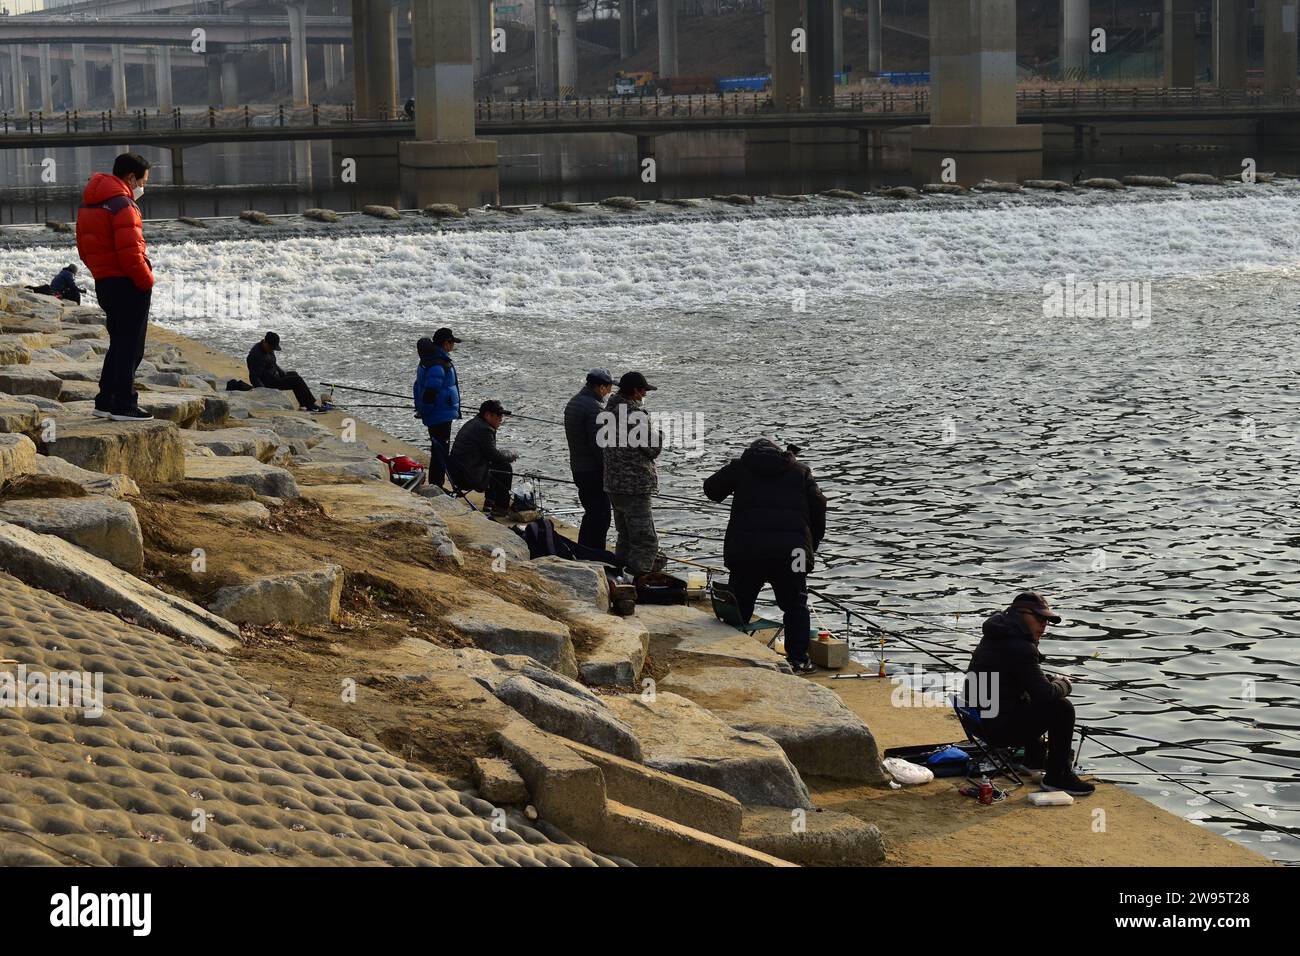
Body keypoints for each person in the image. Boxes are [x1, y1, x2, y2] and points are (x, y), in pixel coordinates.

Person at [703, 439, 827, 673]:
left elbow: (711, 489)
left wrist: (735, 469)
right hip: (795, 552)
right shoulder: (800, 471)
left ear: (750, 453)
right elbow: (820, 505)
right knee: (796, 605)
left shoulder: (742, 468)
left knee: (740, 603)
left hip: (747, 551)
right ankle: (799, 659)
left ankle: (732, 653)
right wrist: (814, 542)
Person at [963, 592, 1095, 796]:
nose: (1044, 625)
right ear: (1020, 614)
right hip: (998, 731)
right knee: (1062, 708)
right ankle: (1057, 777)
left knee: (1029, 696)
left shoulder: (996, 634)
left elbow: (1021, 676)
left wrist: (1048, 679)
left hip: (977, 720)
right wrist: (1065, 683)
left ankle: (1033, 760)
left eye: (1047, 620)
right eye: (1039, 618)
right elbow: (1045, 694)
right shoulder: (1020, 647)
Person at [75, 152, 155, 421]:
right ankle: (124, 403)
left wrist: (101, 272)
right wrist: (147, 280)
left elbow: (83, 248)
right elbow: (131, 253)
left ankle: (105, 400)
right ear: (131, 177)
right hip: (129, 283)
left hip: (105, 282)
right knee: (131, 347)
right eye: (143, 181)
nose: (143, 187)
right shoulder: (123, 205)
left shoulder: (89, 204)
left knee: (118, 343)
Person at [601, 371, 664, 578]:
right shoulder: (635, 415)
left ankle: (620, 576)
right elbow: (653, 448)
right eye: (644, 390)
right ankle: (637, 581)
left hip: (613, 483)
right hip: (634, 485)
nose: (644, 394)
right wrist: (660, 435)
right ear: (636, 391)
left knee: (625, 536)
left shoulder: (608, 410)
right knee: (645, 540)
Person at [564, 368, 614, 550]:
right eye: (608, 388)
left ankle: (584, 550)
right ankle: (593, 553)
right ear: (600, 387)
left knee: (592, 512)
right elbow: (599, 445)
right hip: (593, 470)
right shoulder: (594, 408)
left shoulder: (575, 402)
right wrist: (609, 470)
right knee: (600, 515)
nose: (609, 392)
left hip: (579, 467)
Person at [449, 400, 518, 516]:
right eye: (498, 415)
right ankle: (501, 507)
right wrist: (511, 455)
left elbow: (489, 454)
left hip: (458, 470)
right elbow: (493, 455)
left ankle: (490, 502)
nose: (501, 419)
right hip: (466, 476)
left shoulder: (474, 423)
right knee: (505, 467)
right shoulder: (484, 429)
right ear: (487, 415)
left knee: (496, 464)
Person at [413, 328, 462, 487]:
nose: (453, 346)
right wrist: (425, 410)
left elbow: (418, 386)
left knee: (437, 450)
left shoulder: (429, 359)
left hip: (437, 413)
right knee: (440, 452)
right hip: (440, 415)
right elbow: (431, 390)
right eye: (452, 342)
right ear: (446, 343)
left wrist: (421, 409)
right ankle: (437, 485)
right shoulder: (438, 362)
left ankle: (436, 483)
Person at [246, 332, 321, 411]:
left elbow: (272, 363)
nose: (272, 349)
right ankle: (311, 406)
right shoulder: (256, 355)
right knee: (297, 380)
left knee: (294, 374)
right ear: (265, 343)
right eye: (271, 348)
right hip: (268, 383)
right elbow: (254, 376)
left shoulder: (267, 348)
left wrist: (280, 370)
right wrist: (263, 391)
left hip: (273, 375)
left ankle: (304, 404)